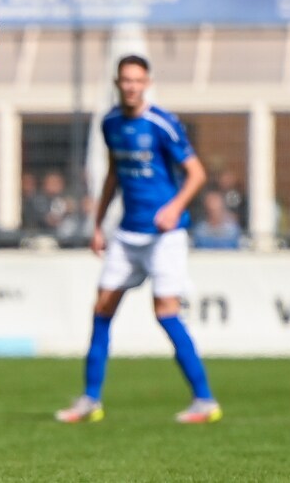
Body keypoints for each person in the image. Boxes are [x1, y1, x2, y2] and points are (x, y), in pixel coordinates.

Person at [56, 55, 221, 425]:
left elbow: (196, 173)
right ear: (117, 83)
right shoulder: (110, 123)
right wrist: (99, 224)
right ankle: (90, 400)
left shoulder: (163, 123)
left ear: (147, 83)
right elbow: (114, 173)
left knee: (165, 312)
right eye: (125, 80)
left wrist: (174, 207)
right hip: (127, 234)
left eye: (137, 80)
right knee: (101, 309)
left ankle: (205, 400)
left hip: (165, 236)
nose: (131, 86)